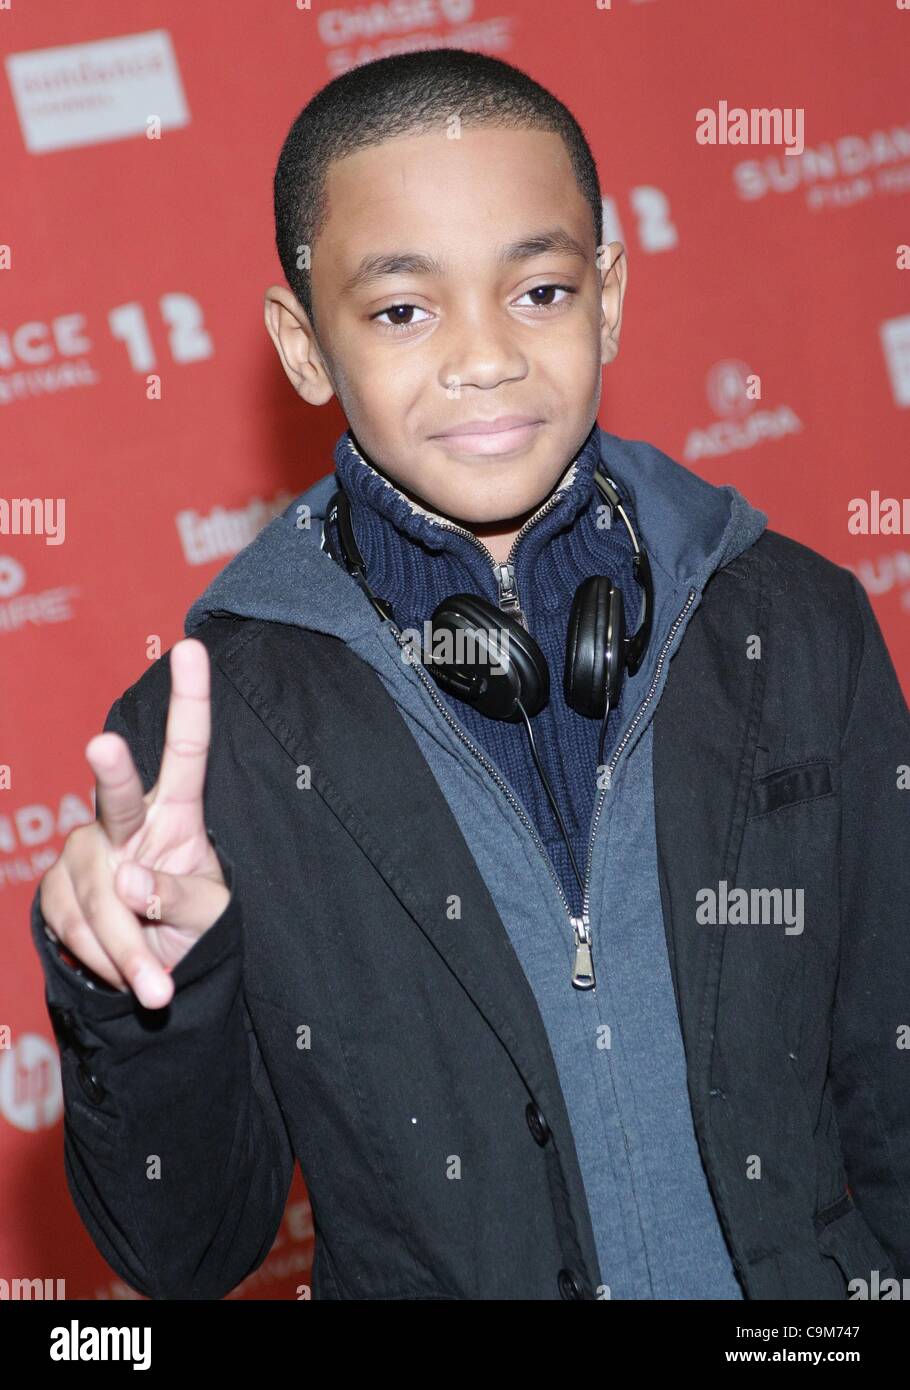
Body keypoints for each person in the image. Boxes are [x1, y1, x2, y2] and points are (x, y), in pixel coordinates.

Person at [31, 48, 910, 1302]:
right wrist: (143, 995)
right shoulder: (204, 732)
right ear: (302, 344)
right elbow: (184, 1249)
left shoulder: (798, 621)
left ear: (607, 297)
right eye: (402, 310)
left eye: (540, 290)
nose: (485, 356)